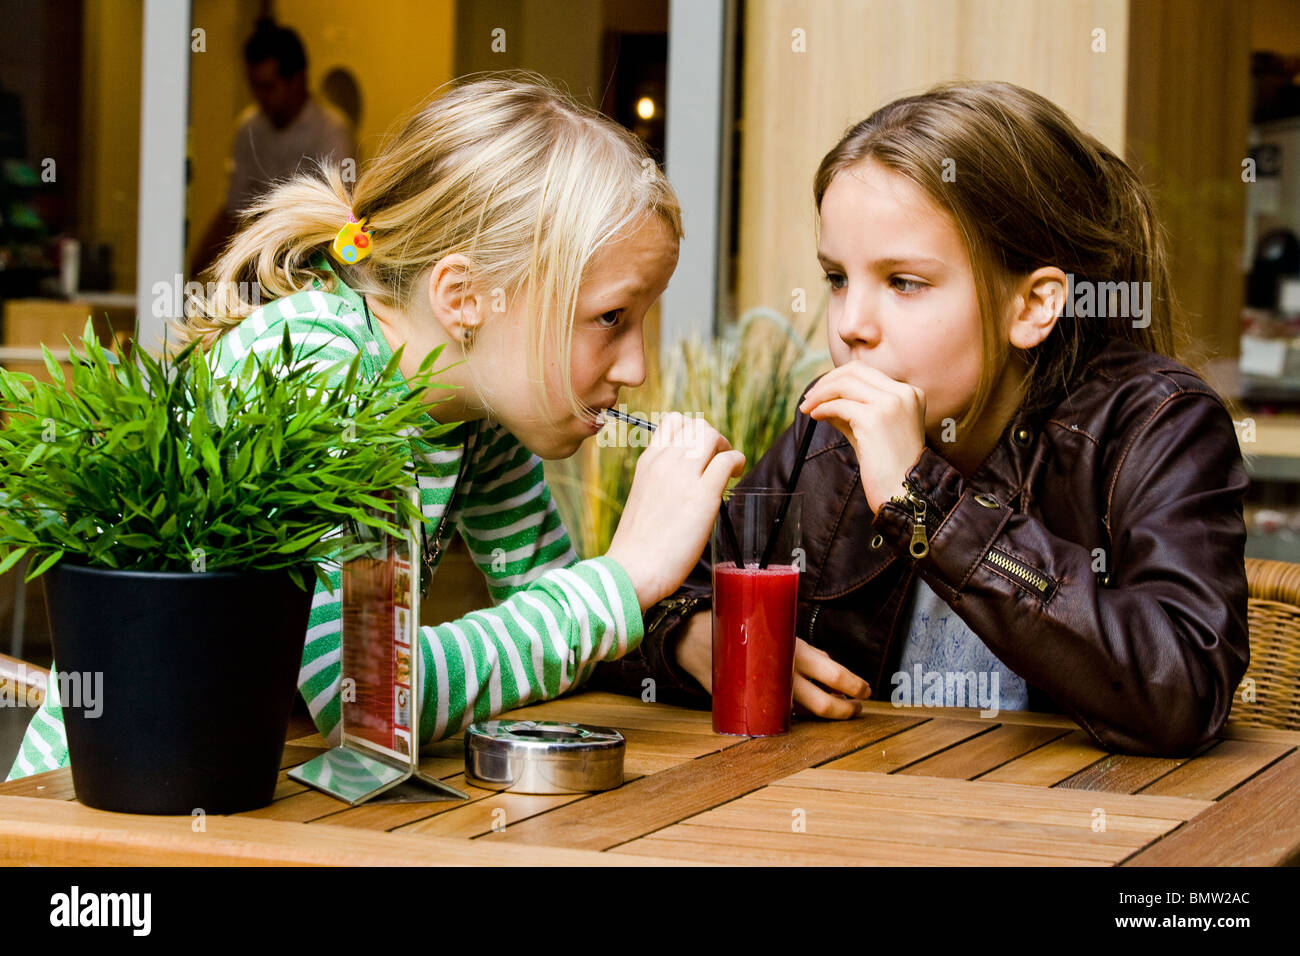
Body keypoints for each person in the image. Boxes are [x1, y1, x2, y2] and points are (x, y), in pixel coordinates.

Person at [7, 75, 745, 778]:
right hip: (109, 807)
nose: (637, 367)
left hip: (263, 788)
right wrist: (623, 579)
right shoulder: (313, 370)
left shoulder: (477, 408)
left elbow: (560, 621)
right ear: (464, 297)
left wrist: (677, 633)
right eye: (611, 318)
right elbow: (368, 700)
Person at [590, 81, 1250, 757]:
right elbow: (626, 615)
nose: (850, 326)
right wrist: (694, 637)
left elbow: (1183, 694)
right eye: (837, 279)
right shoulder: (829, 437)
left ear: (1032, 307)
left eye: (904, 282)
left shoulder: (1157, 425)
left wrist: (927, 503)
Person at [189, 19, 355, 277]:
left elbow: (341, 218)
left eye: (267, 86)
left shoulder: (332, 131)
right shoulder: (249, 127)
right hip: (260, 265)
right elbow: (233, 210)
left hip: (314, 268)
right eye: (254, 86)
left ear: (298, 80)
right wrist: (195, 265)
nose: (259, 96)